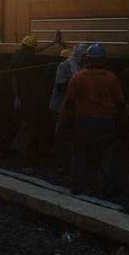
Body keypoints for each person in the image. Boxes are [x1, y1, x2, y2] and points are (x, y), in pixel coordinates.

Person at [58, 43, 125, 197]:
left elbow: (69, 103)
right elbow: (120, 103)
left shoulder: (77, 77)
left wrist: (64, 122)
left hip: (83, 120)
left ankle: (76, 186)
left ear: (87, 59)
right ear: (103, 60)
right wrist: (122, 122)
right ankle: (106, 188)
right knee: (105, 154)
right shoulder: (111, 77)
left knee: (79, 153)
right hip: (105, 121)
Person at [0, 34, 43, 162]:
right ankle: (2, 150)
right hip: (12, 96)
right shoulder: (22, 59)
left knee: (10, 123)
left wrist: (53, 43)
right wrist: (17, 97)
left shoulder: (20, 54)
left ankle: (3, 148)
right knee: (12, 123)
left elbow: (37, 51)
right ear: (30, 48)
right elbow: (14, 78)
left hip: (11, 95)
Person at [50, 43, 87, 171]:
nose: (85, 59)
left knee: (69, 137)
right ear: (77, 55)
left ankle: (67, 164)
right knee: (61, 137)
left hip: (71, 107)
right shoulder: (65, 66)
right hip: (60, 105)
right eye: (83, 56)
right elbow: (60, 86)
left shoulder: (81, 67)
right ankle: (59, 165)